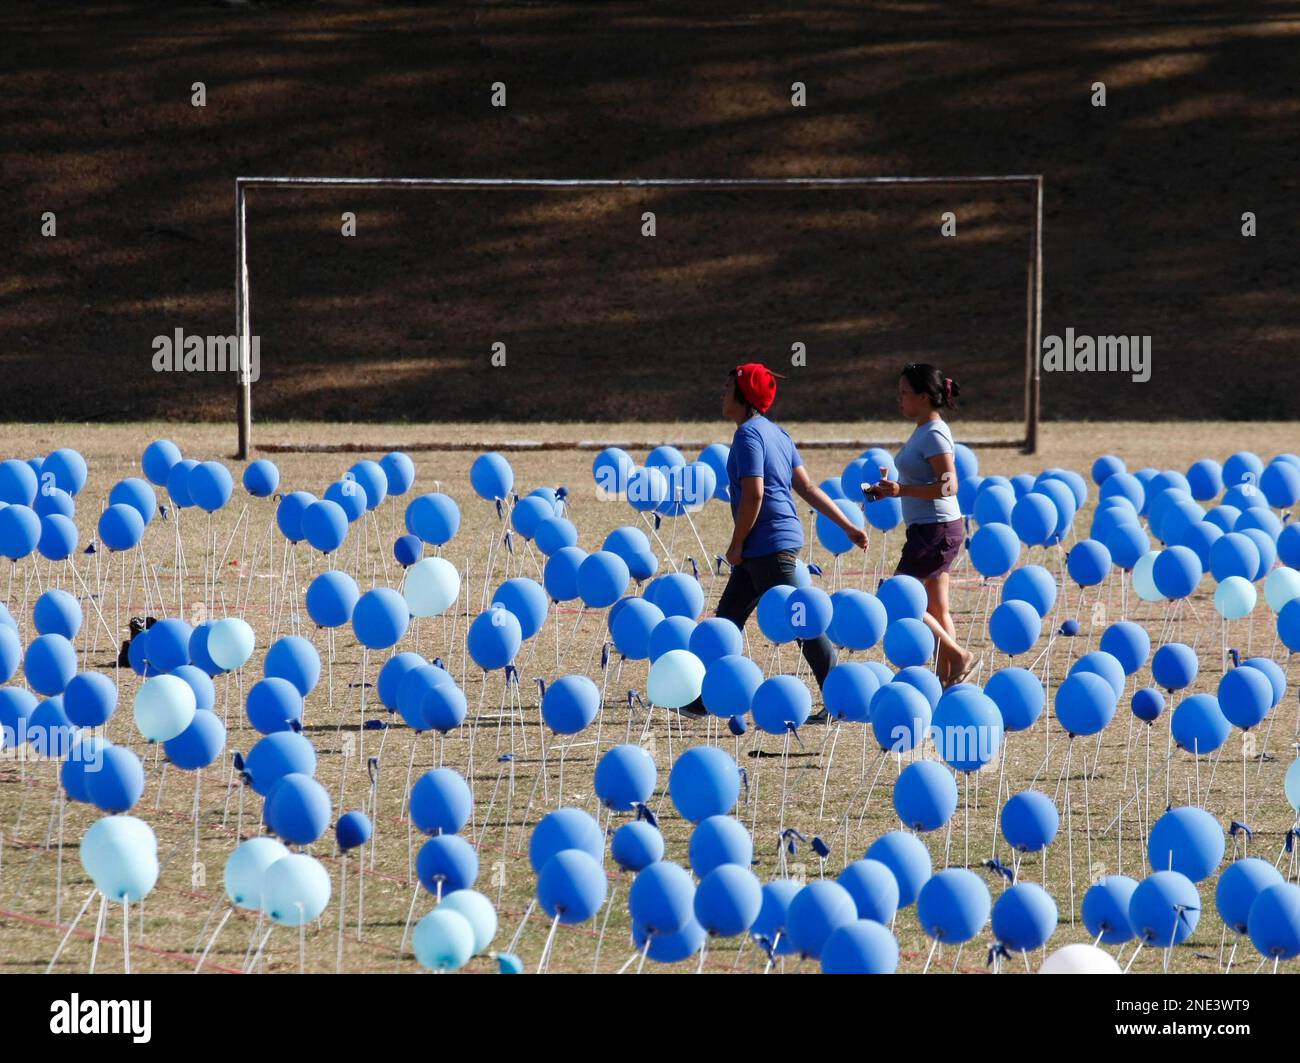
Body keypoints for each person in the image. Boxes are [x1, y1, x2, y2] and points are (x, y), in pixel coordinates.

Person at [697, 363, 868, 716]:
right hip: (770, 544)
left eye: (728, 386)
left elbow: (754, 495)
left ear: (744, 397)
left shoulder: (747, 436)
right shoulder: (777, 434)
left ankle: (843, 703)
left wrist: (736, 542)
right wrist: (846, 524)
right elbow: (806, 487)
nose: (722, 392)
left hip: (767, 546)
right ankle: (704, 699)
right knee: (727, 619)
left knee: (804, 623)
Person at [865, 363, 974, 687]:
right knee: (938, 609)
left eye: (904, 393)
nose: (898, 399)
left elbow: (949, 485)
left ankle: (957, 655)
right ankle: (948, 680)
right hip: (932, 528)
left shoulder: (935, 432)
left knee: (898, 596)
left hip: (935, 529)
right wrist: (891, 490)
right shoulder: (924, 428)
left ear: (924, 397)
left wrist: (903, 490)